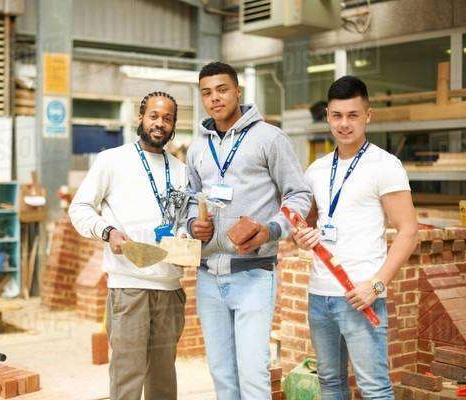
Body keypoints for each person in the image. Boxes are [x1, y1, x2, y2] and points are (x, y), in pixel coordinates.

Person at [186, 61, 312, 399]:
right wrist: (190, 223)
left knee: (253, 376)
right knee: (222, 375)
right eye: (207, 93)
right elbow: (188, 199)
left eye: (222, 89)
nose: (215, 98)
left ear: (238, 91)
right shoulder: (197, 147)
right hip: (208, 277)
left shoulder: (270, 138)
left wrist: (272, 229)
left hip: (254, 274)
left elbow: (300, 195)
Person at [293, 75, 418, 399]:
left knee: (374, 389)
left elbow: (408, 231)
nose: (344, 124)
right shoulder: (317, 170)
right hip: (320, 296)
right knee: (330, 384)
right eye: (337, 116)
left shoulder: (384, 165)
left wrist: (376, 285)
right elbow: (305, 227)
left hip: (361, 295)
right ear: (328, 117)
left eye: (352, 115)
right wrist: (302, 236)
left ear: (368, 116)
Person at [69, 91, 188, 400]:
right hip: (129, 287)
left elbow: (184, 223)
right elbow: (79, 208)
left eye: (167, 118)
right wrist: (108, 232)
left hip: (170, 288)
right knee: (127, 378)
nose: (159, 123)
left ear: (174, 124)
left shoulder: (181, 171)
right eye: (153, 116)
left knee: (164, 383)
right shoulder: (112, 160)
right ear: (140, 118)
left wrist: (189, 234)